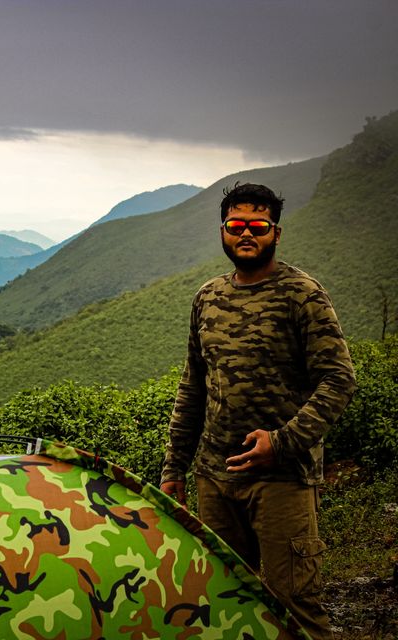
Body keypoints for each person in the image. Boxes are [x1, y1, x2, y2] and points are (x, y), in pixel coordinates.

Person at [160, 182, 356, 640]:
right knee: (227, 602)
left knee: (295, 605)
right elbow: (193, 388)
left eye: (258, 226)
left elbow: (339, 379)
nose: (246, 234)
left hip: (282, 480)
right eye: (236, 225)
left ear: (276, 233)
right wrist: (174, 469)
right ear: (223, 230)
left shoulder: (302, 294)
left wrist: (282, 442)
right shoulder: (207, 298)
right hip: (214, 479)